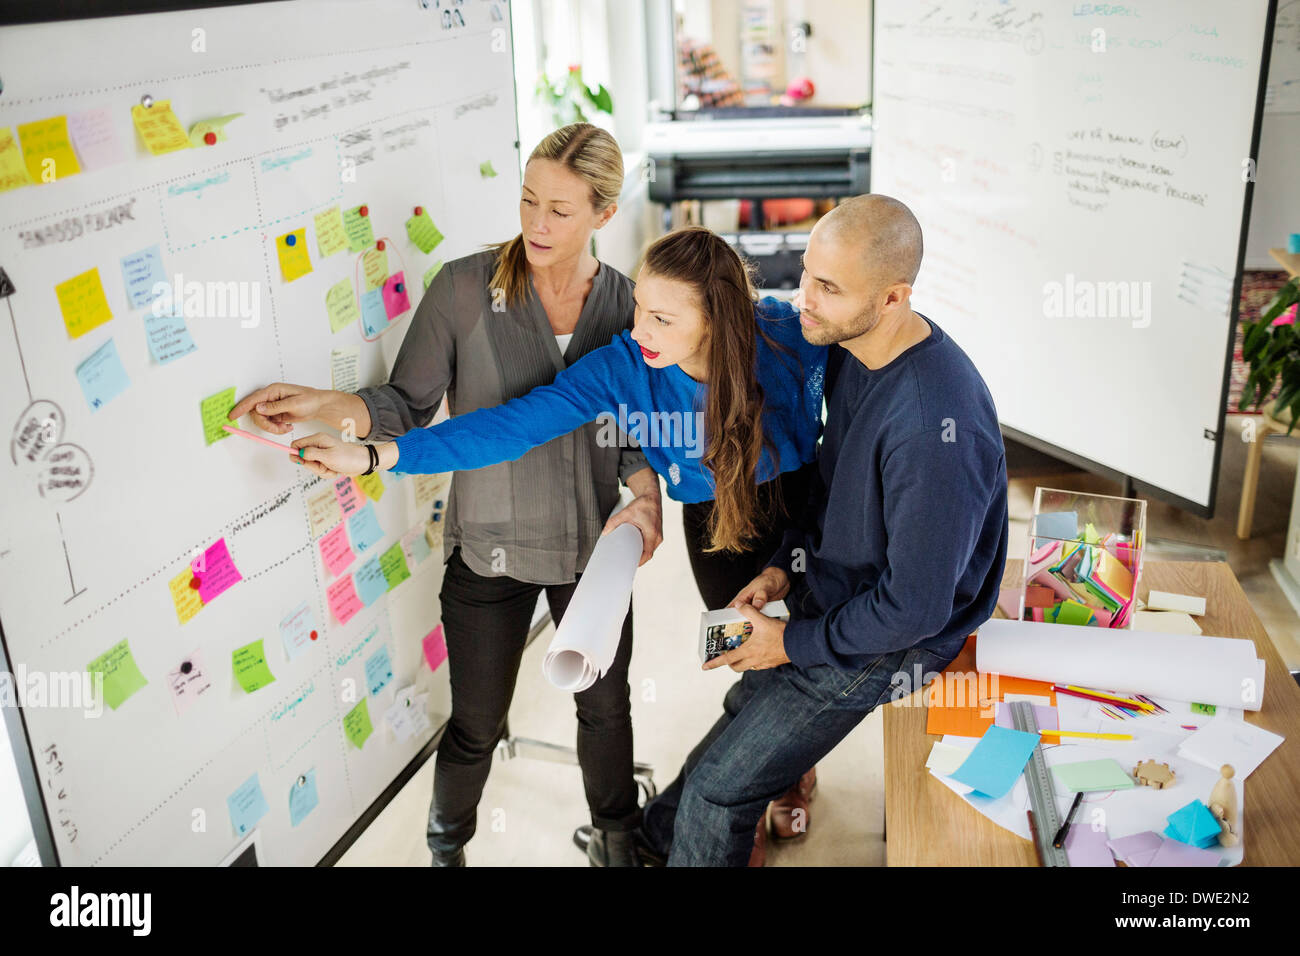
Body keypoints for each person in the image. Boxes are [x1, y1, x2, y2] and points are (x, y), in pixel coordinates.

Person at [291, 226, 831, 862]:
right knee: (751, 661)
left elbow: (868, 383)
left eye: (661, 318)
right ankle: (749, 789)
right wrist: (377, 453)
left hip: (802, 504)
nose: (640, 332)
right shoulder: (628, 366)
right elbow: (511, 428)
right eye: (639, 311)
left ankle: (775, 778)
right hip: (715, 524)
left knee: (813, 666)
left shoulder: (788, 336)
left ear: (718, 318)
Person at [228, 123, 665, 867]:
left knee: (605, 707)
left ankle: (618, 843)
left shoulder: (629, 308)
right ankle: (445, 847)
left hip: (592, 552)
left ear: (604, 213)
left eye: (561, 209)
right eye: (528, 200)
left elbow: (632, 434)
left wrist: (645, 492)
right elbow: (406, 403)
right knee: (476, 722)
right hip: (488, 551)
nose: (536, 222)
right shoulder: (466, 289)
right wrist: (324, 406)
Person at [637, 194, 1011, 866]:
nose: (803, 299)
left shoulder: (931, 429)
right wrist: (783, 568)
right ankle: (651, 842)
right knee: (743, 705)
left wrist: (792, 642)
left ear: (893, 298)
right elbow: (834, 491)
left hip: (894, 639)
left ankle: (674, 833)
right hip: (838, 593)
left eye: (828, 288)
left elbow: (916, 608)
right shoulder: (852, 353)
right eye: (807, 274)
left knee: (720, 794)